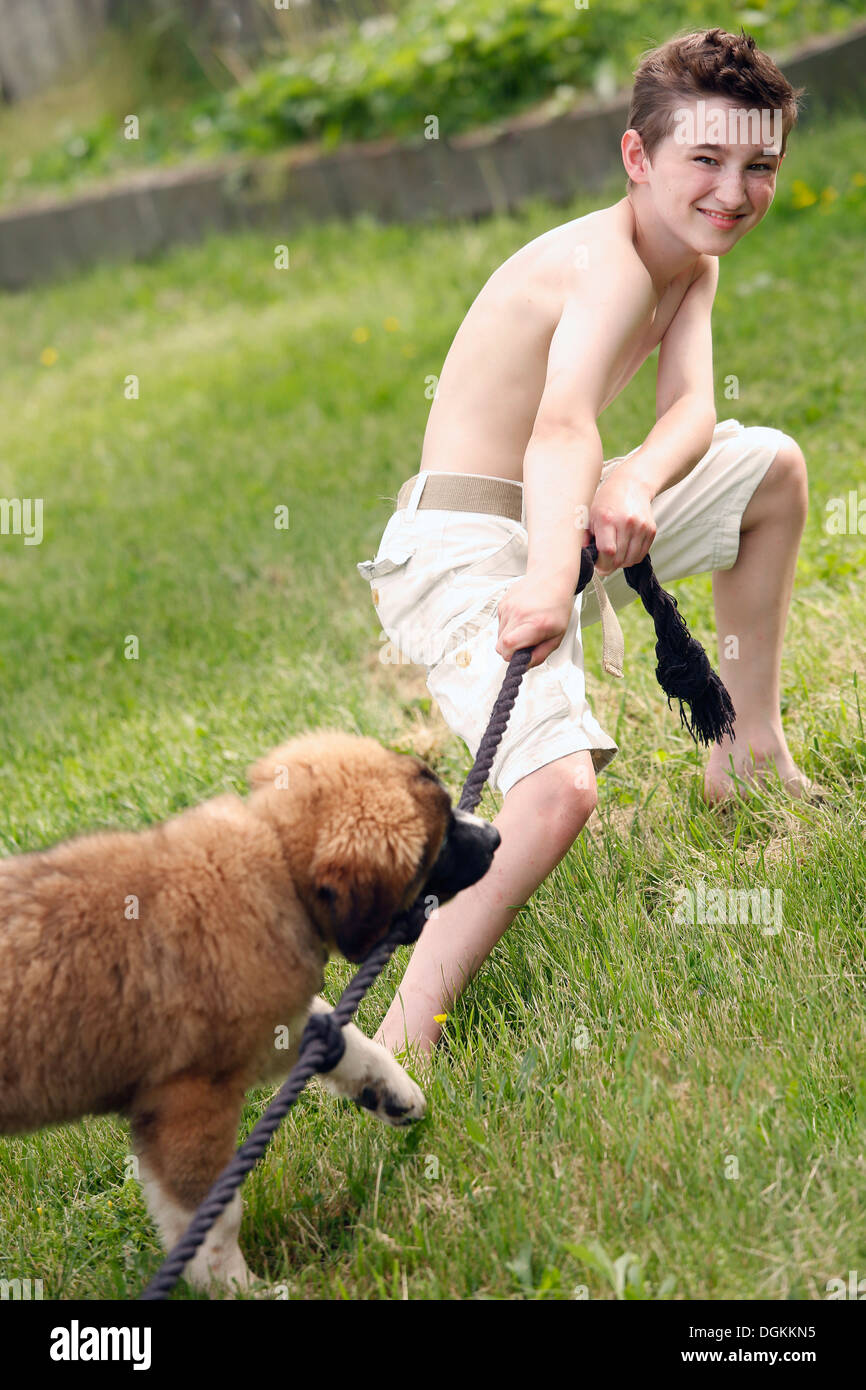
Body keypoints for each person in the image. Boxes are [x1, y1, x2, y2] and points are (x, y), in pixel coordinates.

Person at [356, 27, 810, 1057]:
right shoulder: (603, 265)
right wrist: (549, 571)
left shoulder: (687, 260)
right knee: (558, 790)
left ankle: (745, 753)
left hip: (556, 515)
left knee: (770, 470)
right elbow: (561, 424)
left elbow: (691, 408)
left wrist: (636, 479)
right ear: (636, 156)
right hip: (464, 544)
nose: (733, 192)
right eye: (706, 159)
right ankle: (403, 1028)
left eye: (760, 166)